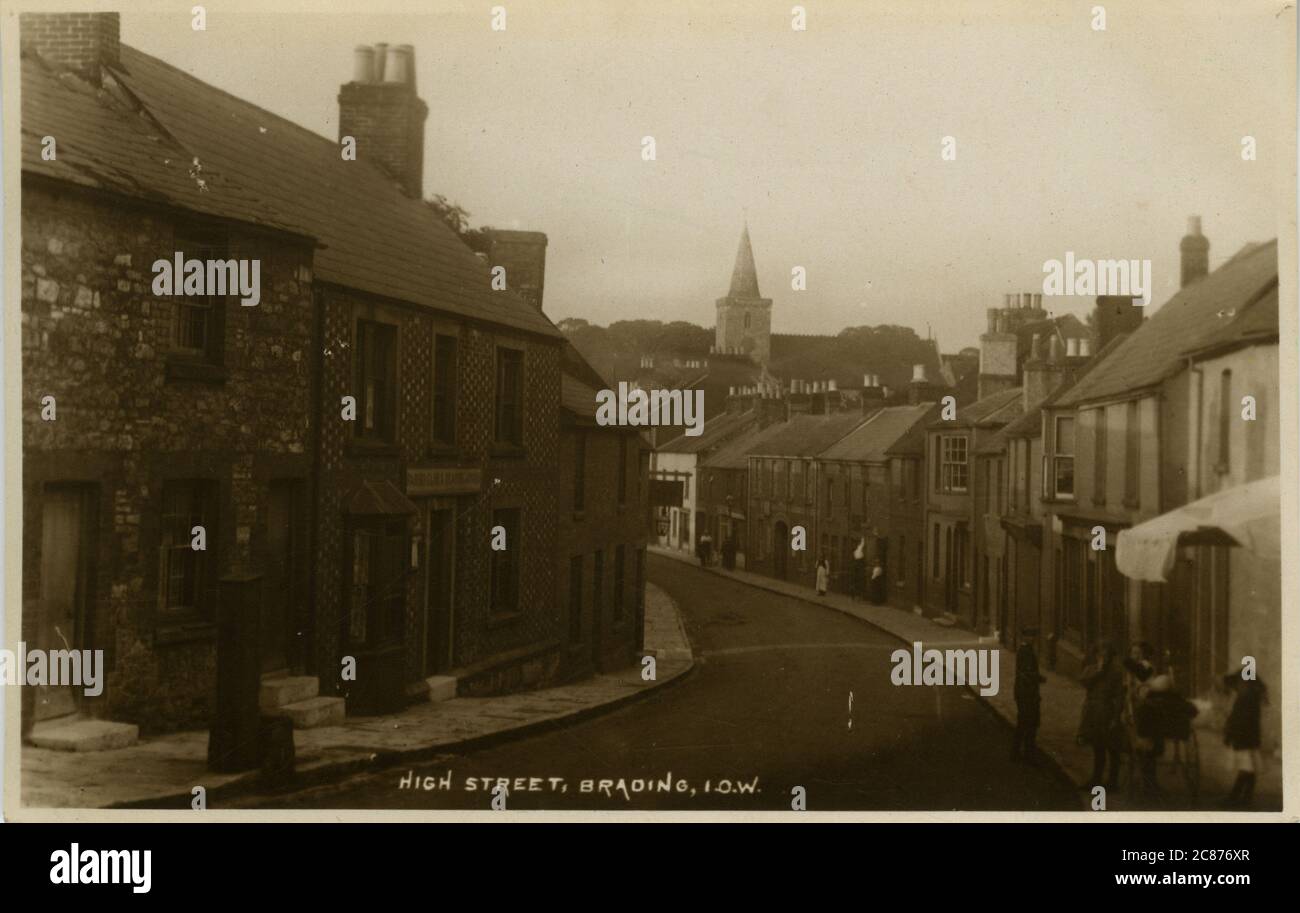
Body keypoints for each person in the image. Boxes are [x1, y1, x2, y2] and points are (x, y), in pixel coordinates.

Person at [1077, 642, 1125, 790]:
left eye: (1105, 655)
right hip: (1093, 712)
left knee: (1112, 748)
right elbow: (1084, 681)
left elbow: (1119, 695)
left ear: (1110, 656)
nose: (1102, 657)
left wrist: (1116, 717)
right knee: (1097, 746)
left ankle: (1112, 781)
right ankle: (1096, 779)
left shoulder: (1116, 672)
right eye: (1099, 654)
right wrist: (1098, 671)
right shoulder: (1093, 669)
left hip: (1107, 711)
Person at [1221, 673, 1267, 809]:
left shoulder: (1245, 699)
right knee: (1249, 768)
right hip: (1250, 738)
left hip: (1243, 738)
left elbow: (1238, 720)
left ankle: (1234, 797)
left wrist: (1229, 735)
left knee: (1246, 768)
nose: (1236, 688)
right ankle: (1246, 797)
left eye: (1239, 685)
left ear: (1246, 684)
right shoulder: (1252, 698)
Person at [1011, 641, 1046, 763]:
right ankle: (1028, 754)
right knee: (1030, 723)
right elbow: (1027, 673)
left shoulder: (1024, 650)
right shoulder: (1026, 652)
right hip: (1027, 693)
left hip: (1024, 692)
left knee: (1023, 722)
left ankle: (1017, 752)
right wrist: (1039, 678)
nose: (1034, 638)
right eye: (1032, 636)